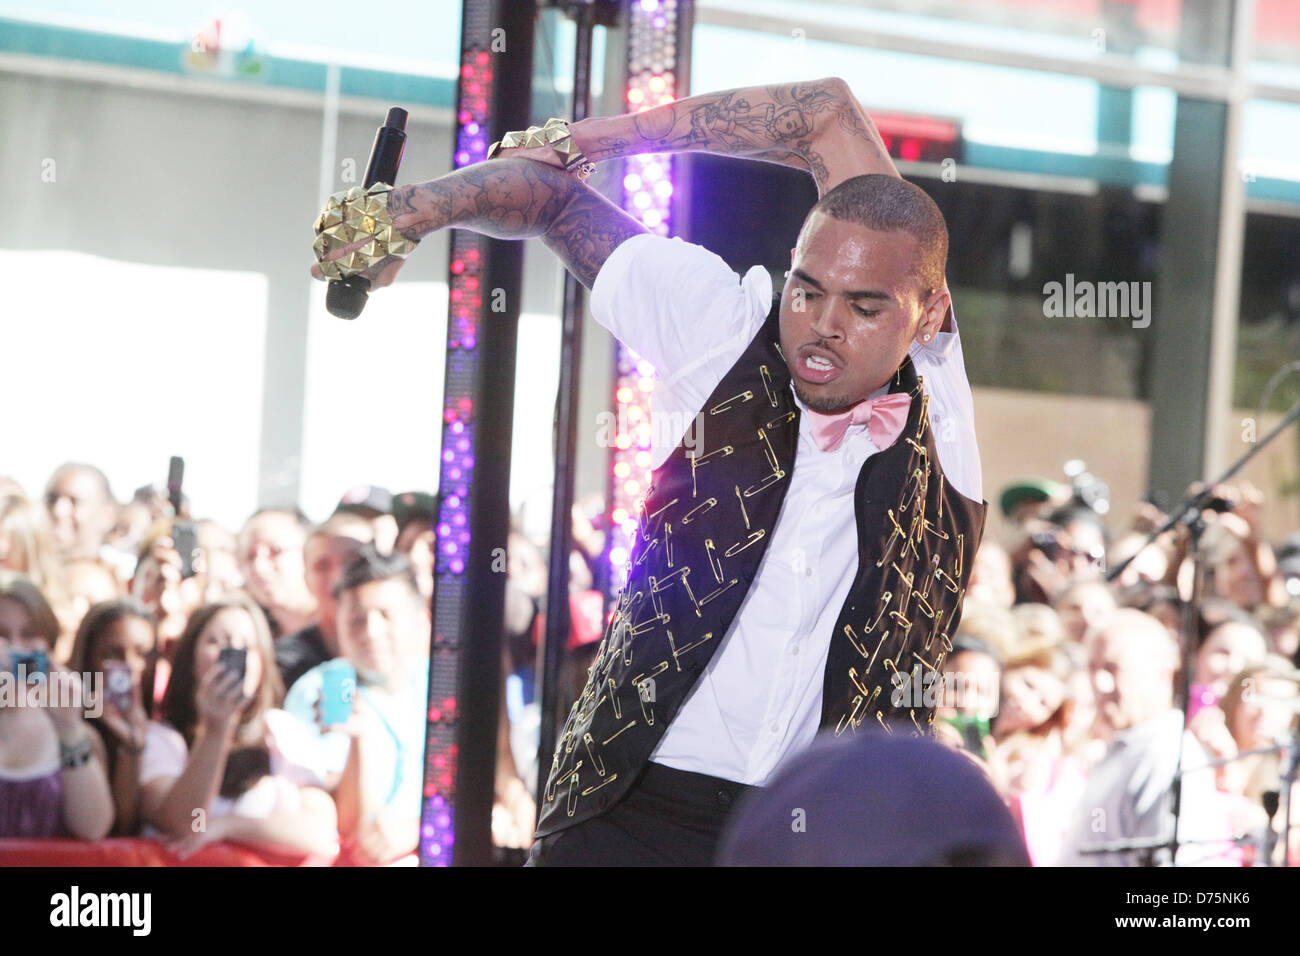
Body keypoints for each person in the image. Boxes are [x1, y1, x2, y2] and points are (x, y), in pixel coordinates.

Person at [312, 77, 986, 866]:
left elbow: (827, 112)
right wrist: (410, 213)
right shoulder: (724, 327)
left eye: (866, 309)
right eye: (807, 291)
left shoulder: (943, 406)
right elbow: (557, 207)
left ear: (930, 317)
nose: (823, 327)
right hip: (631, 803)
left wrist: (589, 140)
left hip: (833, 830)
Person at [138, 596, 338, 859]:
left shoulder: (279, 730)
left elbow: (322, 833)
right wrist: (215, 731)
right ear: (191, 655)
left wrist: (229, 827)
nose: (233, 653)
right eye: (217, 642)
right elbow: (189, 823)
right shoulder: (161, 738)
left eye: (247, 645)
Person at [283, 547, 429, 865]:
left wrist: (420, 830)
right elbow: (346, 826)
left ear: (419, 619)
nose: (371, 632)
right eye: (357, 620)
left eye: (385, 615)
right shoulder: (321, 691)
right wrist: (357, 739)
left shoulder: (444, 683)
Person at [1061, 609, 1232, 866]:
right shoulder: (1127, 748)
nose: (1100, 683)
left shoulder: (1167, 755)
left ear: (1161, 673)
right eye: (1093, 668)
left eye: (1113, 668)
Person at [0, 572, 114, 840]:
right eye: (1, 634)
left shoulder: (77, 733)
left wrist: (69, 728)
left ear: (48, 645)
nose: (14, 647)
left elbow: (93, 828)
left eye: (29, 634)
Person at [67, 599, 154, 835]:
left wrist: (132, 747)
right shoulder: (64, 726)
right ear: (87, 660)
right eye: (112, 654)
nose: (129, 665)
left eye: (142, 653)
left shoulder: (163, 736)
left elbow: (122, 833)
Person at [276, 511, 374, 691]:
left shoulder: (412, 651)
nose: (338, 578)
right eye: (322, 566)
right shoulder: (285, 663)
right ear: (306, 579)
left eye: (353, 561)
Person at [237, 509, 316, 639]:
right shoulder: (248, 636)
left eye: (275, 551)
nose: (259, 568)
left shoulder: (342, 628)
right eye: (250, 557)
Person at [44, 463, 118, 563]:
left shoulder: (91, 577)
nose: (58, 511)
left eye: (74, 501)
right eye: (52, 499)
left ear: (108, 515)